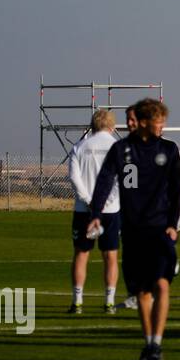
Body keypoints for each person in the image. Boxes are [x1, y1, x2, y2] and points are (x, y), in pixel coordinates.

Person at [88, 99, 180, 360]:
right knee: (142, 291)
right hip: (132, 231)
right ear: (143, 122)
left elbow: (178, 191)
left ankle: (157, 342)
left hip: (161, 230)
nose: (162, 125)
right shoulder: (121, 150)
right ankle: (150, 345)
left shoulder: (169, 149)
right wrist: (96, 213)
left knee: (162, 284)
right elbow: (105, 181)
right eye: (158, 121)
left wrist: (174, 225)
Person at [67, 110, 122, 315]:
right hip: (111, 209)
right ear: (112, 126)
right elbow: (120, 180)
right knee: (110, 256)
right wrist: (104, 202)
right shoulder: (117, 148)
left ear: (92, 125)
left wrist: (89, 201)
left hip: (83, 210)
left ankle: (77, 301)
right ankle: (109, 302)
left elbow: (74, 177)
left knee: (81, 254)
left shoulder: (80, 147)